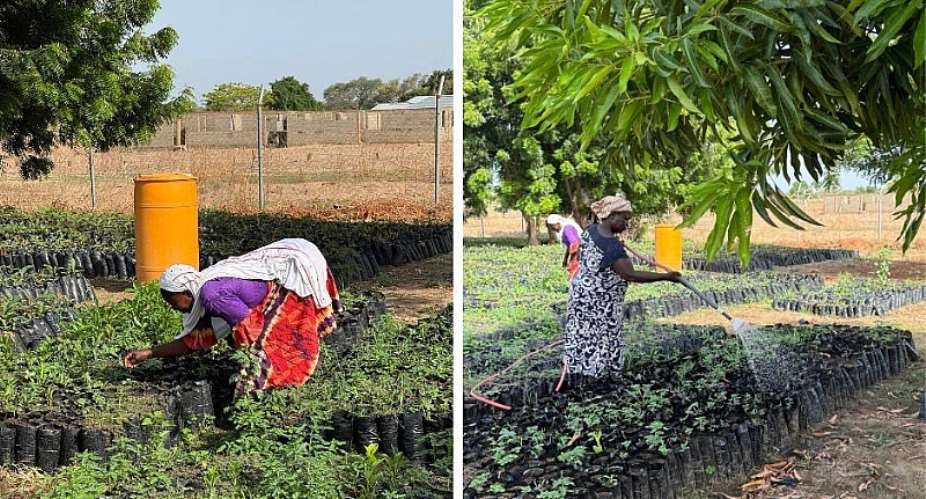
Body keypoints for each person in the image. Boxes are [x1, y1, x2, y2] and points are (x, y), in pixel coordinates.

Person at [122, 238, 341, 393]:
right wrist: (149, 353)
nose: (173, 308)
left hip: (291, 272)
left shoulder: (211, 294)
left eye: (173, 301)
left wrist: (252, 369)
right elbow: (193, 341)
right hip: (295, 253)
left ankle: (287, 391)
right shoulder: (205, 292)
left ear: (187, 292)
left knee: (278, 357)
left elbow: (249, 330)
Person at [563, 194, 681, 380]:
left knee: (582, 336)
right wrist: (666, 276)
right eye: (624, 219)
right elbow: (630, 274)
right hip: (601, 304)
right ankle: (600, 379)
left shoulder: (590, 230)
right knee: (602, 339)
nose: (627, 224)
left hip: (580, 295)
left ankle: (580, 375)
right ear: (611, 215)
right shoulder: (612, 247)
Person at [546, 214, 583, 281]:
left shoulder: (567, 229)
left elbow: (576, 244)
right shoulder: (565, 228)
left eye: (552, 226)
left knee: (574, 274)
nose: (552, 229)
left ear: (557, 224)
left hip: (580, 253)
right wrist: (565, 259)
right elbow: (570, 246)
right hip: (578, 252)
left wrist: (572, 260)